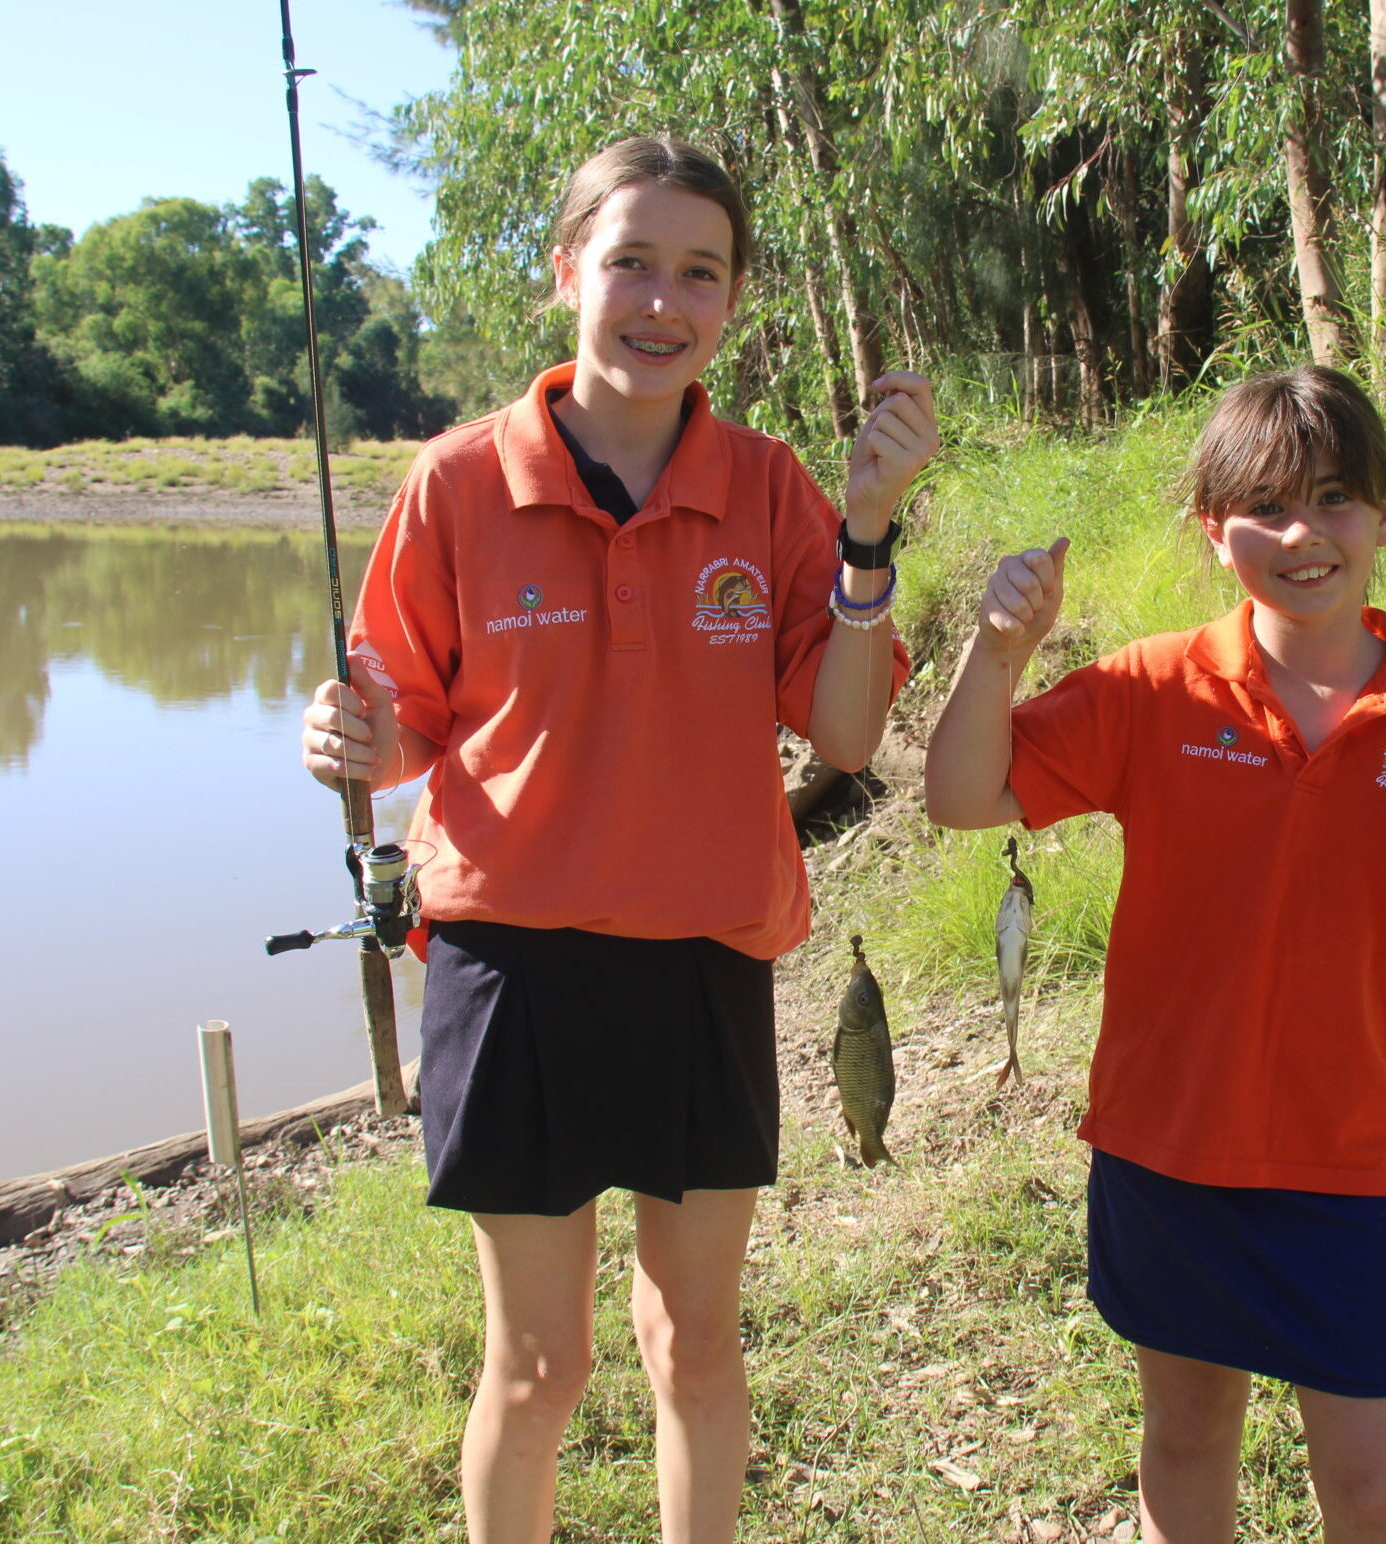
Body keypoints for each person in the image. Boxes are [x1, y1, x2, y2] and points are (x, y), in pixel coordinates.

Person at [298, 135, 933, 1544]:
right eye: (630, 260)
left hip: (700, 952)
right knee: (536, 1366)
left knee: (691, 1345)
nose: (661, 299)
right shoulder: (459, 482)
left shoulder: (768, 488)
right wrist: (354, 738)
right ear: (565, 272)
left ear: (733, 300)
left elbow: (838, 735)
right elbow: (403, 716)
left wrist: (868, 532)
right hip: (505, 960)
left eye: (697, 272)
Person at [924, 366, 1386, 1544]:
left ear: (1383, 512)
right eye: (1267, 506)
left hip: (1354, 1161)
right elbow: (963, 795)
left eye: (1335, 498)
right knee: (1185, 1434)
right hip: (1171, 1149)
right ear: (1215, 531)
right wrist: (1000, 650)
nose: (1304, 533)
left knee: (1375, 1489)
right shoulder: (1153, 686)